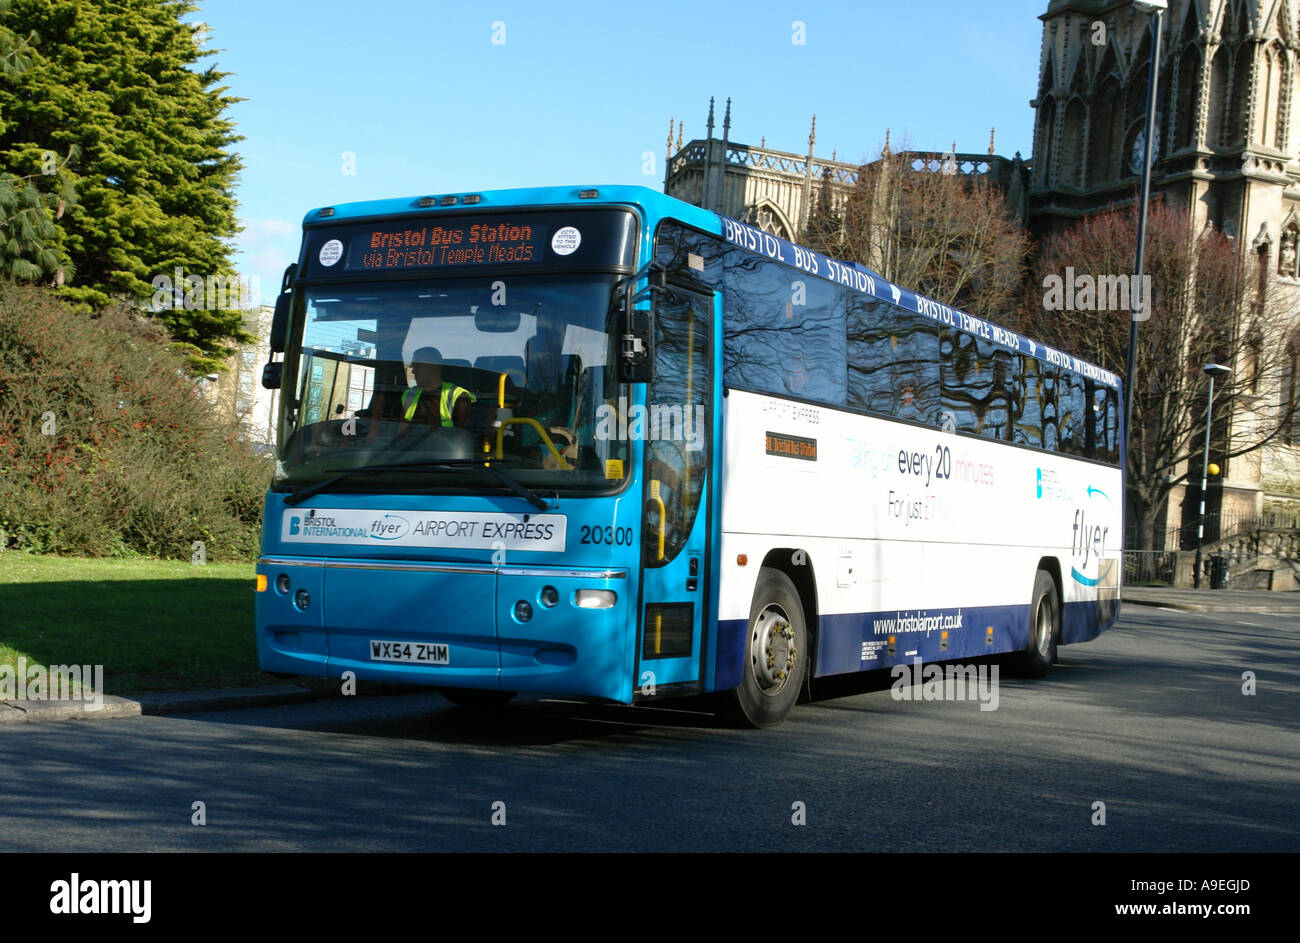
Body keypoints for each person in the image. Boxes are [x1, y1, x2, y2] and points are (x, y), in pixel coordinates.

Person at [402, 347, 476, 429]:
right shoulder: (408, 395)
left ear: (433, 366)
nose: (413, 371)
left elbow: (462, 435)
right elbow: (399, 431)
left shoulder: (459, 396)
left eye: (417, 366)